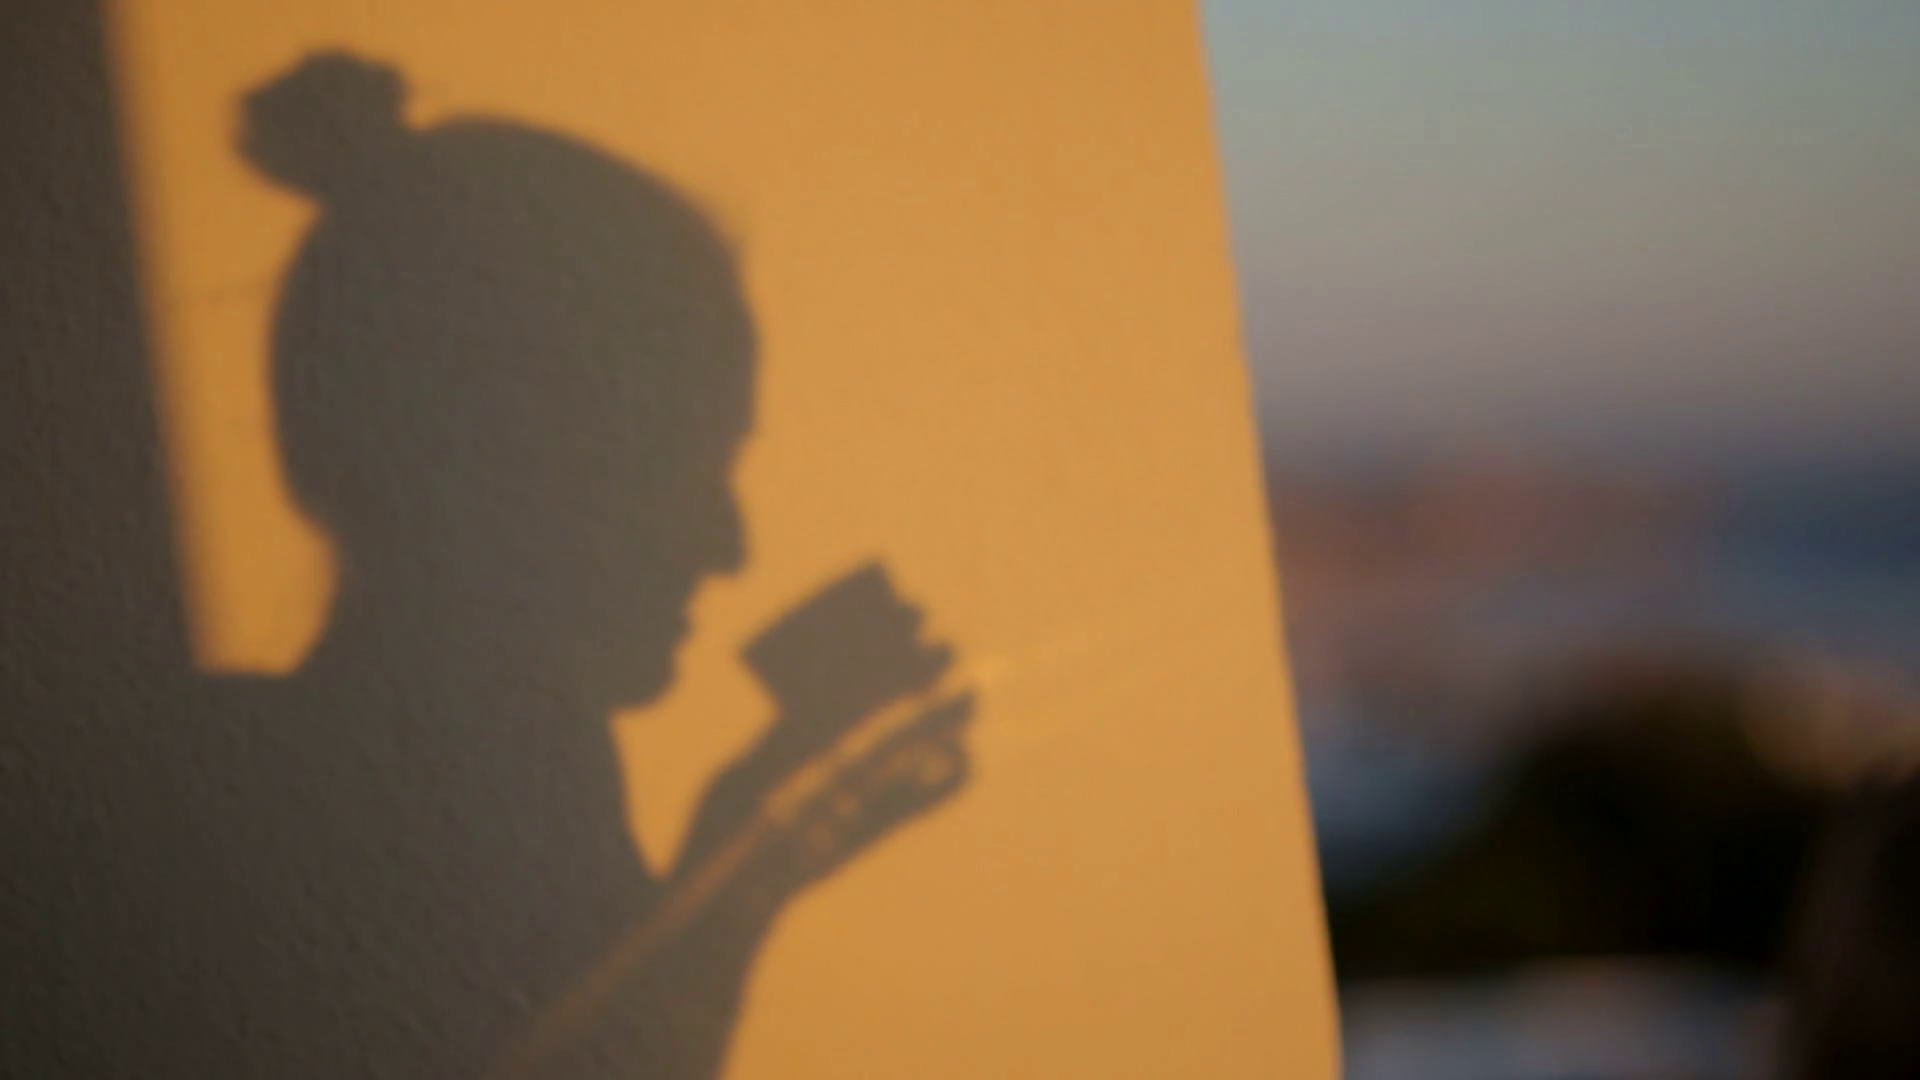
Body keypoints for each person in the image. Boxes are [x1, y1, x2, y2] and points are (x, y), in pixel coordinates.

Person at [94, 52, 970, 1078]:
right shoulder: (327, 844)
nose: (730, 546)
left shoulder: (226, 792)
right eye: (688, 465)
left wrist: (737, 871)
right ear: (517, 458)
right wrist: (728, 892)